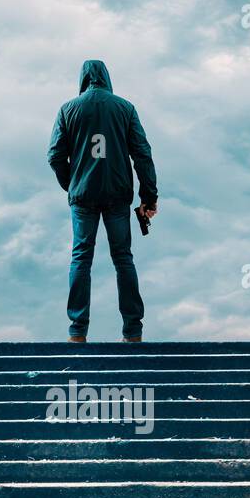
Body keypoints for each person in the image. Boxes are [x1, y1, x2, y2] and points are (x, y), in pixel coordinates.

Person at [47, 59, 158, 343]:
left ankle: (77, 331)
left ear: (83, 79)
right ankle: (133, 332)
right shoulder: (125, 108)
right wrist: (149, 196)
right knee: (123, 258)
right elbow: (142, 154)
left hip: (83, 196)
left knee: (81, 257)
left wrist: (71, 183)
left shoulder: (67, 109)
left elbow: (54, 156)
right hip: (117, 194)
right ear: (107, 78)